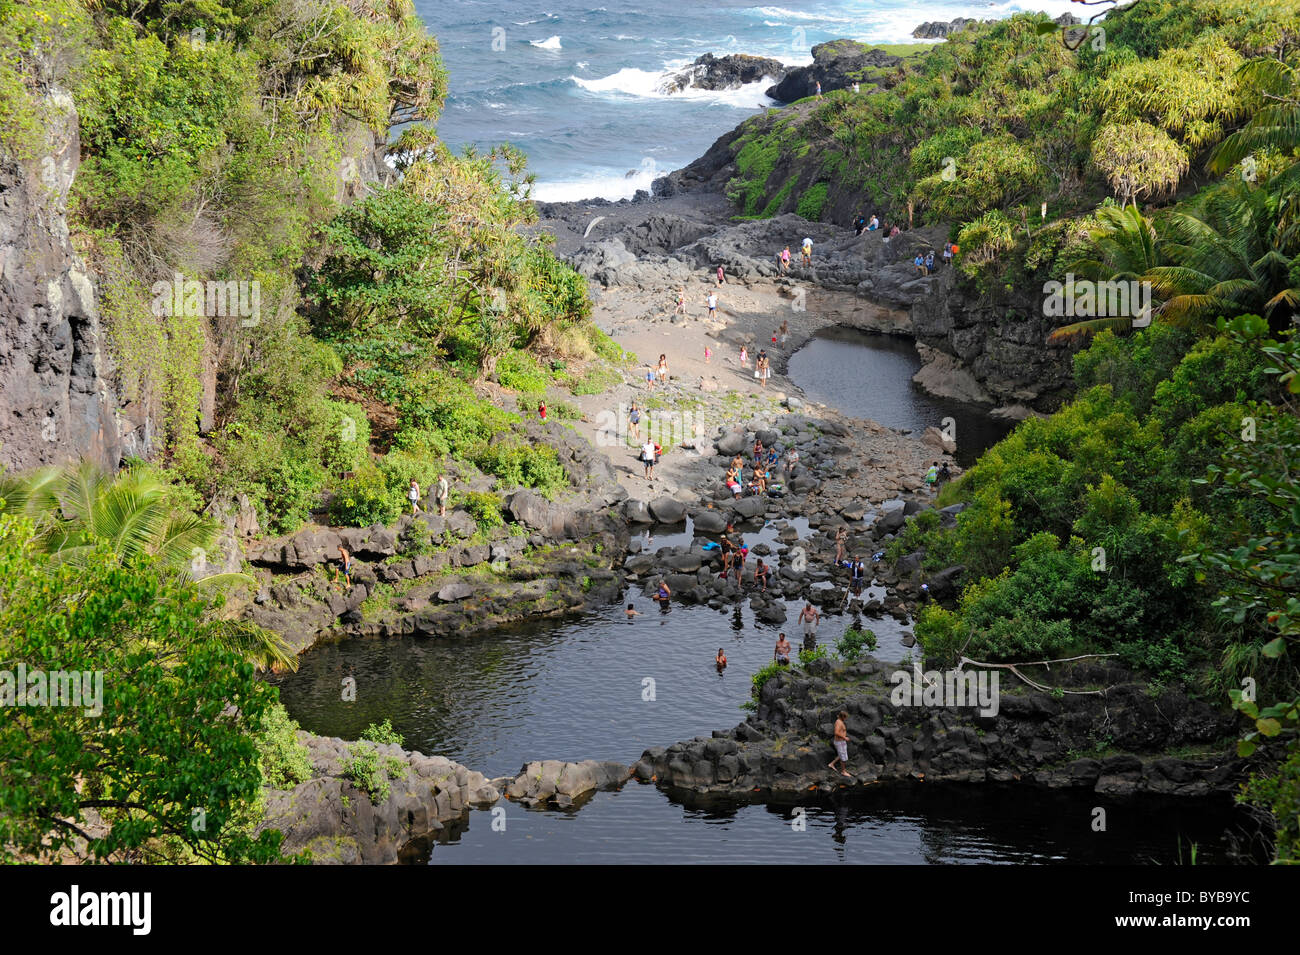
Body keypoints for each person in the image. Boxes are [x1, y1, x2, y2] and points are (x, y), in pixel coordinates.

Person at [829, 710, 851, 777]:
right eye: (845, 717)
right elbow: (836, 732)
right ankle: (843, 772)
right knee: (843, 758)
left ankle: (831, 764)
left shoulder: (840, 721)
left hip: (841, 742)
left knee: (841, 755)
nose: (846, 719)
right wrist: (845, 738)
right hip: (840, 742)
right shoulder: (839, 722)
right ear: (842, 717)